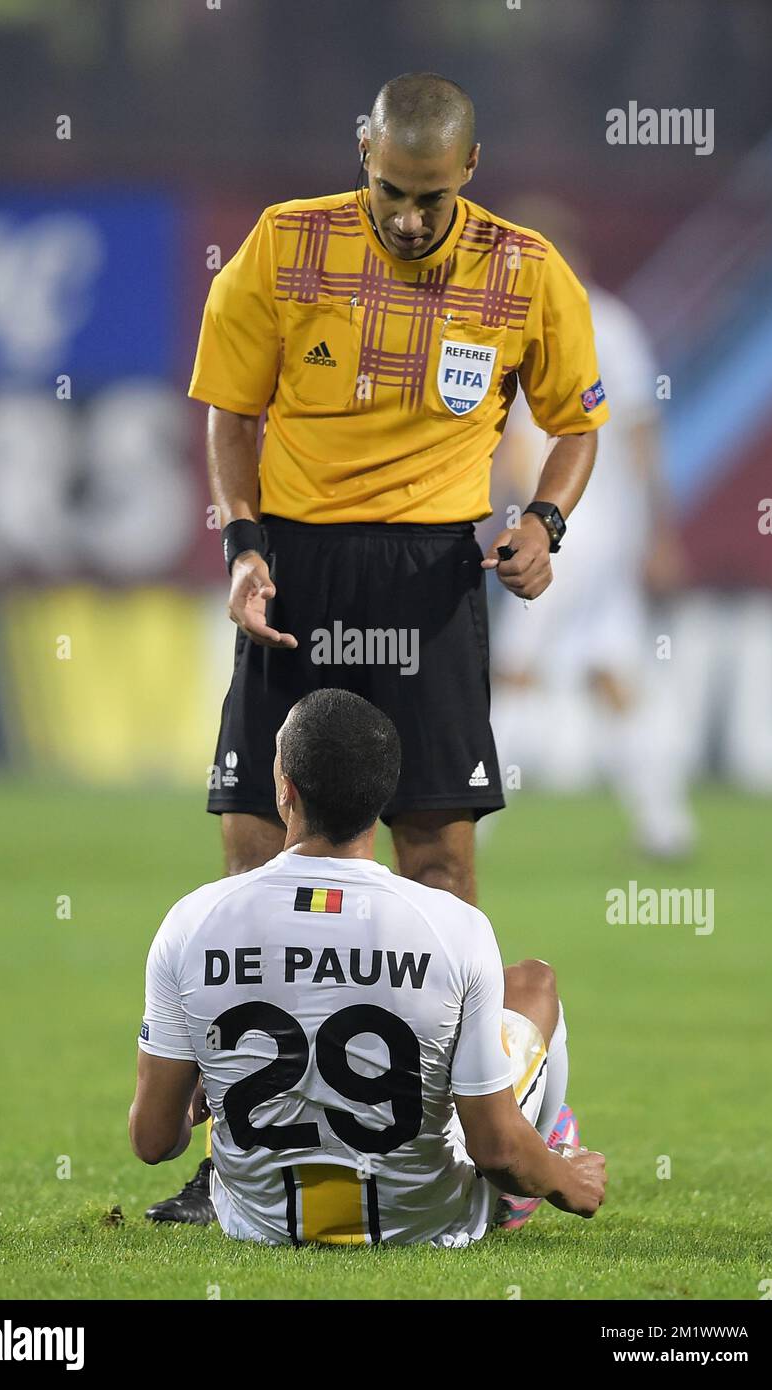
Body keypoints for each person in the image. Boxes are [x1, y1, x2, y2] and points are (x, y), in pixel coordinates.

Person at [147, 70, 607, 1220]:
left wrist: (544, 525)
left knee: (439, 865)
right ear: (364, 151)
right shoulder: (284, 245)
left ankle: (470, 1147)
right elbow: (231, 413)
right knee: (256, 846)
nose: (409, 216)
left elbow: (576, 425)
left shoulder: (522, 270)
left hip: (430, 573)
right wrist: (243, 547)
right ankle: (237, 1158)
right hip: (296, 564)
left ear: (471, 171)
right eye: (393, 190)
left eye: (431, 195)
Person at [130, 689, 607, 1245]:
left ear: (285, 790)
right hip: (422, 1221)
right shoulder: (455, 926)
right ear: (383, 801)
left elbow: (153, 1141)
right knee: (533, 983)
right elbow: (497, 1148)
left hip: (260, 1222)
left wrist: (208, 1084)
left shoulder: (193, 919)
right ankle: (527, 1177)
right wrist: (563, 1179)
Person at [490, 198, 694, 857]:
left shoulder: (597, 322)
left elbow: (637, 432)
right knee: (608, 668)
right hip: (591, 530)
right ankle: (666, 827)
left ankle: (469, 820)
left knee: (516, 663)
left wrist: (658, 532)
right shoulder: (547, 322)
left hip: (578, 529)